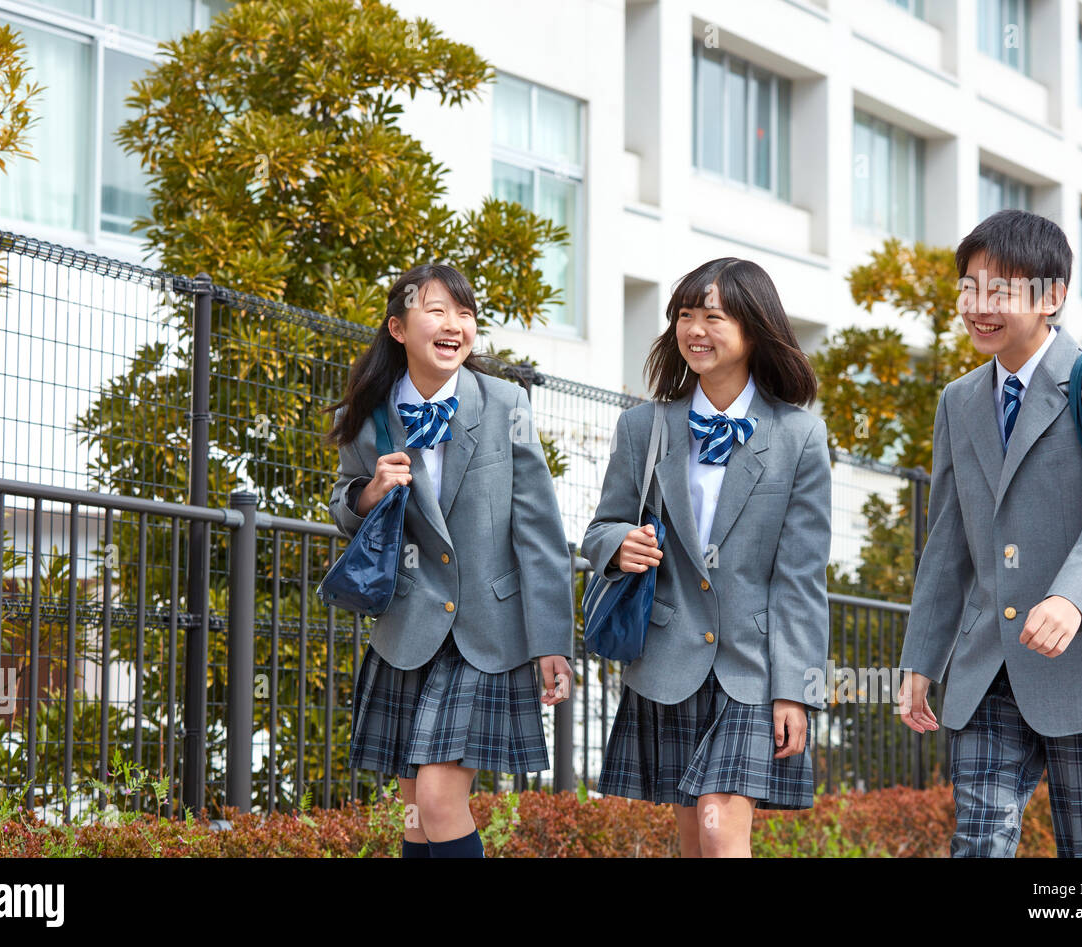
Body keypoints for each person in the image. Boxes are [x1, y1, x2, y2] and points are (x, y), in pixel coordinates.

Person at [897, 208, 1082, 857]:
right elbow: (946, 543)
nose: (977, 305)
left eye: (998, 289)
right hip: (987, 665)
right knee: (979, 842)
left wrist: (1071, 596)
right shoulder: (958, 400)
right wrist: (920, 658)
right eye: (968, 287)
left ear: (1052, 295)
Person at [582, 257, 831, 857]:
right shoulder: (645, 427)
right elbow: (600, 530)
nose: (694, 329)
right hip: (668, 659)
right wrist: (620, 546)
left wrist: (796, 688)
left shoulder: (799, 436)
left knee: (720, 830)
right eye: (684, 316)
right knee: (695, 838)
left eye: (712, 316)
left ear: (754, 327)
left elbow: (802, 576)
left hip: (753, 669)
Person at [324, 263, 574, 858]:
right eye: (436, 310)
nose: (454, 324)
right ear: (398, 327)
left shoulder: (506, 403)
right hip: (408, 630)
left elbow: (539, 530)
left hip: (488, 634)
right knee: (413, 815)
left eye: (465, 313)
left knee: (438, 801)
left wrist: (552, 641)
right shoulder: (367, 417)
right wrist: (369, 493)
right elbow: (343, 502)